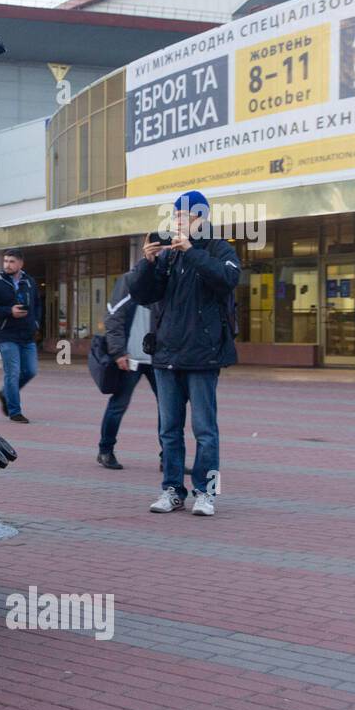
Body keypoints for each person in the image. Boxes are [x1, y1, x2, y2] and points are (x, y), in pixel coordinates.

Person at [127, 190, 241, 517]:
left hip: (203, 355)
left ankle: (206, 493)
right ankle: (172, 490)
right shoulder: (168, 255)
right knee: (169, 429)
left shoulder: (219, 249)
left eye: (184, 217)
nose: (177, 222)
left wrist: (191, 251)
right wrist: (147, 264)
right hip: (166, 354)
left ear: (200, 219)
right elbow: (143, 294)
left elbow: (228, 278)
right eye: (175, 216)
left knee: (205, 429)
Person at [97, 264, 159, 470]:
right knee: (118, 405)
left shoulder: (167, 279)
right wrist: (118, 352)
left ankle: (169, 457)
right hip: (130, 358)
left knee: (170, 409)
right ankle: (105, 450)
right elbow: (114, 316)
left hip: (159, 358)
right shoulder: (130, 280)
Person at [0, 248, 41, 424]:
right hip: (6, 334)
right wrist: (9, 311)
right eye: (6, 261)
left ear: (21, 263)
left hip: (27, 335)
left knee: (30, 371)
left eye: (11, 261)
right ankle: (15, 411)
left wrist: (36, 322)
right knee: (12, 373)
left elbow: (37, 304)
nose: (7, 264)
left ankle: (5, 394)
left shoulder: (29, 282)